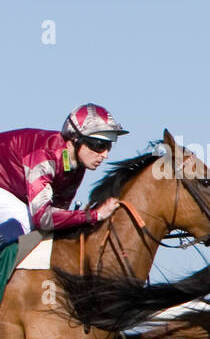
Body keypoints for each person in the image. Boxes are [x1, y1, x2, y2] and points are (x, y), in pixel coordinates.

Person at [0, 104, 127, 247]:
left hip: (10, 189)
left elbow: (59, 211)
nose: (105, 155)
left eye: (109, 146)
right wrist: (94, 215)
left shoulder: (77, 167)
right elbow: (42, 218)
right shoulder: (46, 156)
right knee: (26, 219)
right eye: (99, 145)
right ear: (75, 139)